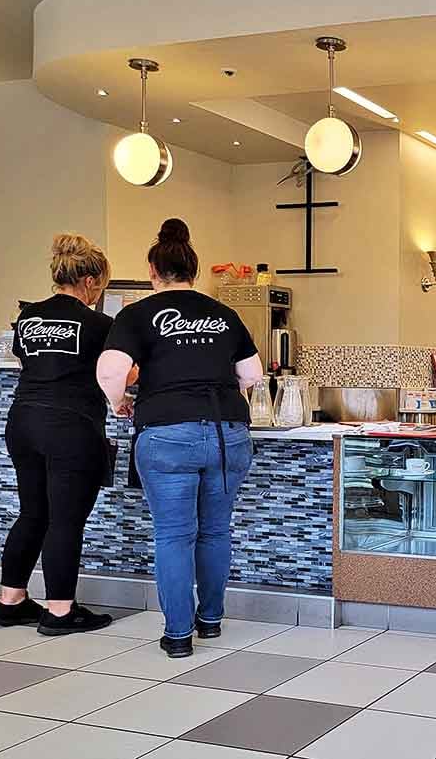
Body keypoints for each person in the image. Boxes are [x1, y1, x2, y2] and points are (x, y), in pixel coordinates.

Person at [97, 218, 263, 658]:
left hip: (167, 433)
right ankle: (210, 620)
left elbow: (111, 370)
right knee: (214, 532)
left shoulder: (137, 314)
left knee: (174, 535)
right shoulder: (224, 313)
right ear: (195, 268)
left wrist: (119, 403)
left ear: (153, 270)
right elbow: (253, 374)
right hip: (227, 432)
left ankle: (177, 636)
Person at [0, 234, 115, 636]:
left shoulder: (26, 318)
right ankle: (60, 611)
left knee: (32, 511)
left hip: (22, 422)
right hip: (70, 426)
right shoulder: (98, 325)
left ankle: (11, 602)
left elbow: (29, 362)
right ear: (91, 281)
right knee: (65, 519)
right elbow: (114, 374)